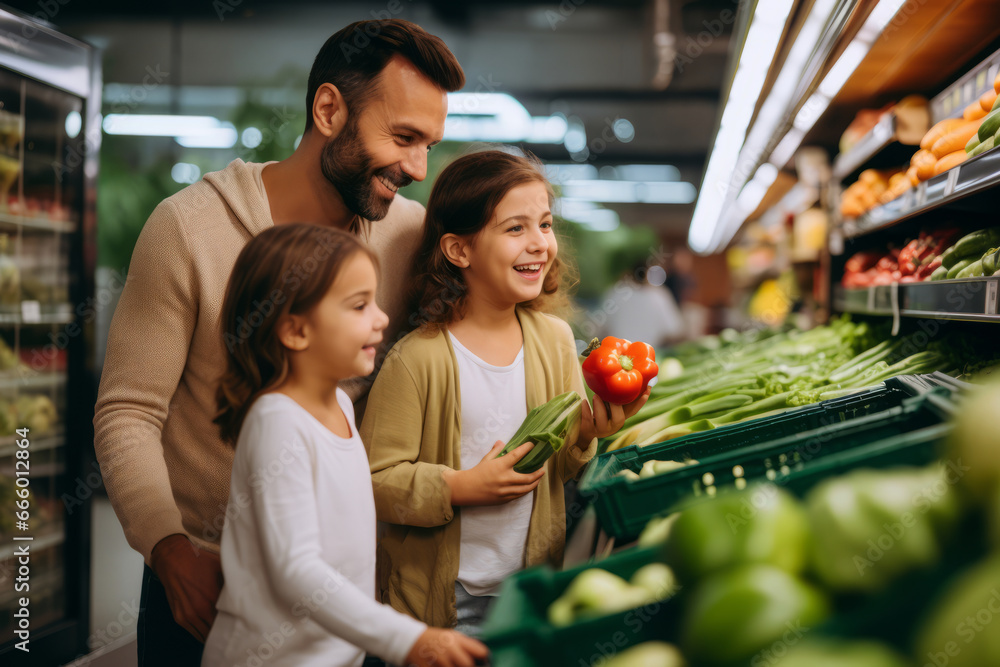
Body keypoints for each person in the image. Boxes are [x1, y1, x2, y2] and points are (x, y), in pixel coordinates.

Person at [92, 19, 464, 666]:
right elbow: (128, 411)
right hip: (203, 580)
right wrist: (168, 547)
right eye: (403, 137)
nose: (417, 167)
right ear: (329, 109)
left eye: (429, 143)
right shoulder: (189, 229)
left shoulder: (410, 236)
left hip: (355, 596)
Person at [361, 150, 650, 634]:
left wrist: (586, 435)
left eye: (544, 224)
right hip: (439, 602)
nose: (539, 243)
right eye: (515, 229)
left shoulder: (556, 340)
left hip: (531, 585)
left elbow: (561, 468)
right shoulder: (417, 358)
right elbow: (372, 482)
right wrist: (460, 488)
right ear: (459, 250)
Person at [201, 224, 487, 667]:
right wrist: (404, 638)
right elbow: (295, 571)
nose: (382, 318)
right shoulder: (277, 422)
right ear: (295, 331)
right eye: (359, 305)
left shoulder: (337, 401)